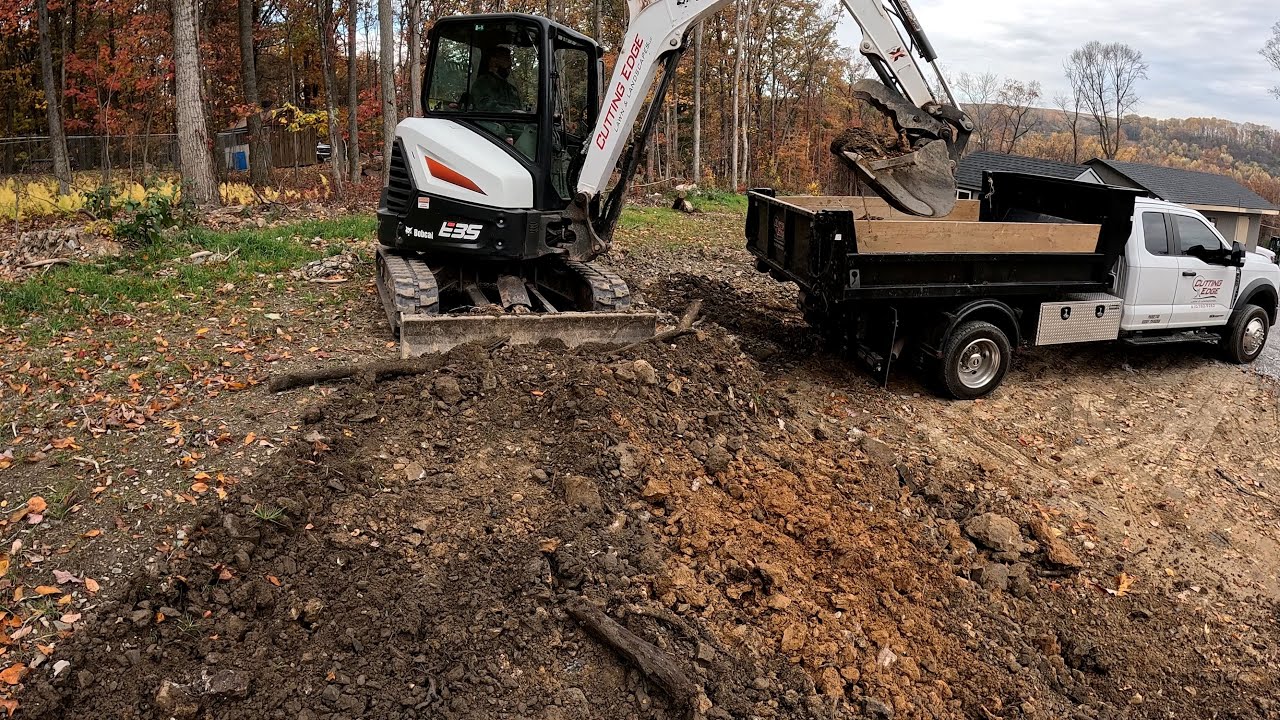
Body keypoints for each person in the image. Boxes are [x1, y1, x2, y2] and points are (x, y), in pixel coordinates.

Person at [471, 46, 523, 113]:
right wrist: (510, 112)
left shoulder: (511, 89)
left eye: (509, 59)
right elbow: (483, 105)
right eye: (506, 59)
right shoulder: (482, 84)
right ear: (493, 62)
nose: (510, 63)